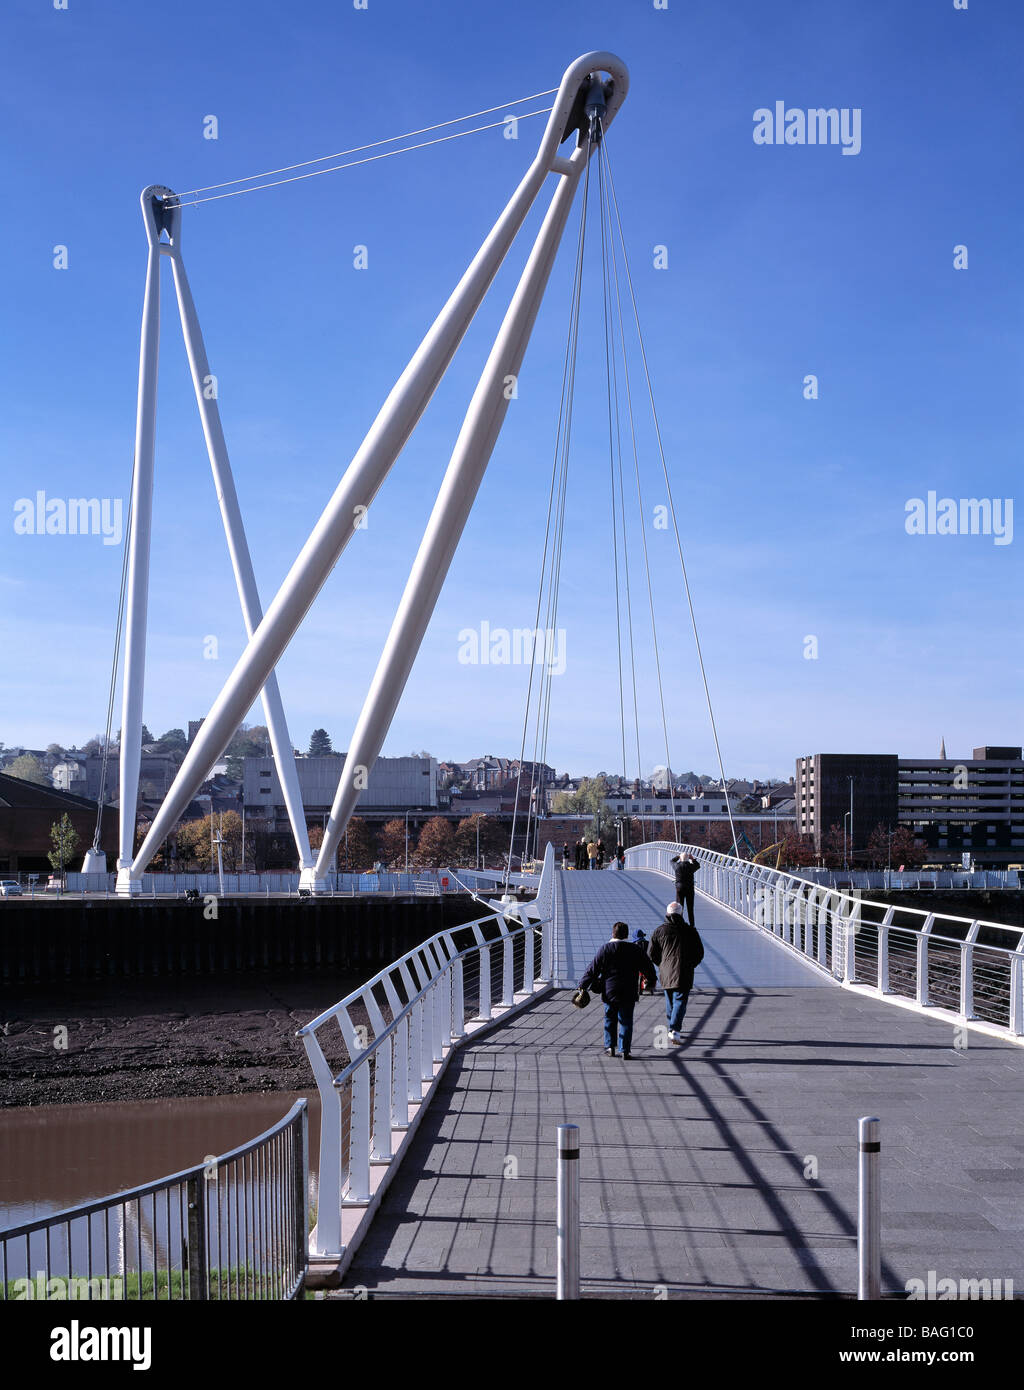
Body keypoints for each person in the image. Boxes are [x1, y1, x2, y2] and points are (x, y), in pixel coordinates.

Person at [579, 921, 657, 1059]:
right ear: (627, 935)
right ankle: (625, 1050)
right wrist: (651, 980)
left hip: (610, 991)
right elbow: (648, 967)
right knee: (626, 1021)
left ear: (612, 933)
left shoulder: (605, 949)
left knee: (610, 1019)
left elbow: (593, 969)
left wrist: (583, 985)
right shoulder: (635, 949)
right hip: (629, 991)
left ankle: (610, 1047)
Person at [649, 900, 704, 1042]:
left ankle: (671, 1028)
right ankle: (674, 1029)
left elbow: (651, 953)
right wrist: (691, 964)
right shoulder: (691, 931)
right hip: (684, 970)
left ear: (667, 914)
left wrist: (661, 964)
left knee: (670, 1001)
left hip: (666, 972)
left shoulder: (659, 931)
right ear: (681, 913)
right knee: (680, 1000)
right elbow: (699, 952)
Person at [671, 853, 700, 926]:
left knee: (680, 907)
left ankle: (679, 924)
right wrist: (692, 858)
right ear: (688, 859)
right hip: (689, 888)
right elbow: (698, 865)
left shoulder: (677, 866)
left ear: (681, 859)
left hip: (679, 888)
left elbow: (671, 861)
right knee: (690, 907)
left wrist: (678, 856)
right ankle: (692, 924)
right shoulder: (690, 866)